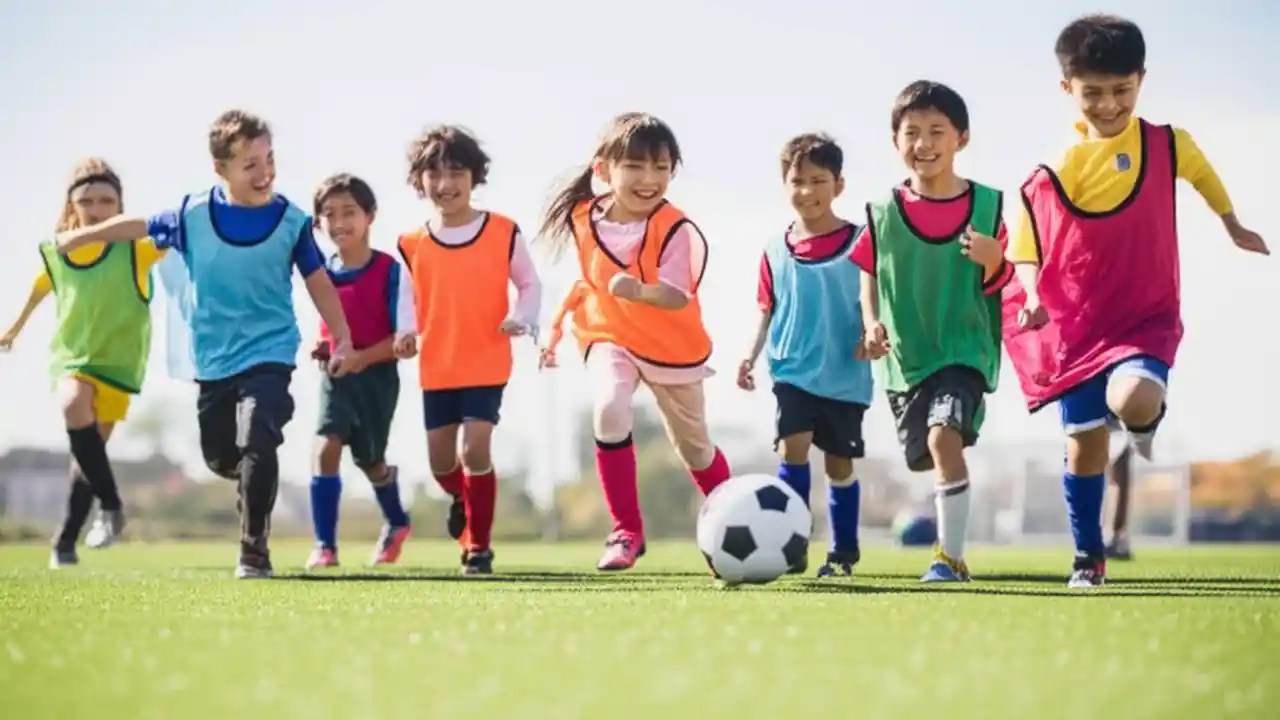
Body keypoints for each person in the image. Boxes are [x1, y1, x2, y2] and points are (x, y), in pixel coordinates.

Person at [1002, 15, 1268, 588]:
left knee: (1137, 398)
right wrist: (1028, 292)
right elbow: (1027, 237)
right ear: (1067, 89)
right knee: (1086, 448)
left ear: (1141, 81)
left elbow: (1201, 174)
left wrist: (1232, 223)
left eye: (1121, 91)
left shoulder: (1166, 143)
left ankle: (1145, 419)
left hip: (1144, 316)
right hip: (1075, 324)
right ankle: (1088, 556)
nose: (1107, 105)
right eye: (1092, 93)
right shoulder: (1055, 170)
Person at [54, 110, 356, 579]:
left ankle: (253, 551)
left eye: (268, 159)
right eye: (250, 164)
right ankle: (254, 475)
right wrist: (85, 233)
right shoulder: (193, 214)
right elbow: (133, 226)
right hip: (214, 358)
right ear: (222, 169)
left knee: (258, 435)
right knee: (221, 456)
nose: (264, 172)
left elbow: (318, 281)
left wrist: (342, 338)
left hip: (270, 351)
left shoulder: (291, 221)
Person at [538, 112, 731, 572]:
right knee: (609, 406)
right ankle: (626, 530)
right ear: (603, 169)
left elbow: (675, 294)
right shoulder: (582, 215)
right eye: (635, 167)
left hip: (672, 347)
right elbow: (586, 276)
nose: (649, 180)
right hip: (609, 334)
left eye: (661, 168)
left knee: (695, 448)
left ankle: (734, 520)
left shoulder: (679, 229)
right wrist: (556, 329)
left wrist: (640, 292)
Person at [852, 81, 1014, 583]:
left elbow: (1012, 281)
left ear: (961, 138)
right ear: (895, 140)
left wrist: (996, 260)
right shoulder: (881, 214)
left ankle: (950, 557)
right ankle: (950, 539)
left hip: (964, 351)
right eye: (912, 132)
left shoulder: (988, 207)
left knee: (945, 438)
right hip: (907, 360)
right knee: (925, 452)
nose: (924, 143)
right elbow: (869, 280)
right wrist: (871, 325)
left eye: (936, 131)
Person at [1, 158, 163, 568]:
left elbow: (162, 229)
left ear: (119, 204)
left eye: (107, 200)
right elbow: (41, 287)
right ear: (71, 205)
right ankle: (112, 506)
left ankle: (65, 541)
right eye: (87, 201)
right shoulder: (57, 252)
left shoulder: (137, 250)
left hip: (118, 364)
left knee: (87, 459)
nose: (96, 208)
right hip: (72, 358)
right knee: (72, 404)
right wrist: (13, 329)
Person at [396, 125, 542, 575]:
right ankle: (463, 498)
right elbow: (407, 299)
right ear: (419, 181)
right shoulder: (411, 243)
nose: (445, 184)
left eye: (456, 172)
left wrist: (524, 316)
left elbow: (529, 282)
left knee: (475, 449)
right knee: (442, 464)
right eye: (434, 173)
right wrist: (405, 333)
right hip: (438, 365)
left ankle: (478, 546)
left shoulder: (502, 230)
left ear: (475, 176)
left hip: (487, 359)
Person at [738, 132, 873, 578]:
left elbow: (878, 302)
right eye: (797, 181)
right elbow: (766, 308)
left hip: (844, 375)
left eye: (818, 180)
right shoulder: (775, 248)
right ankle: (789, 544)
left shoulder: (861, 242)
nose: (807, 192)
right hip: (791, 369)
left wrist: (873, 334)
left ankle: (843, 552)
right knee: (791, 447)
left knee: (838, 463)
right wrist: (750, 355)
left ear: (839, 184)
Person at [305, 174, 418, 569]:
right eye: (328, 215)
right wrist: (324, 347)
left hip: (378, 379)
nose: (339, 223)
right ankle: (325, 546)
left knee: (370, 460)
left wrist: (364, 357)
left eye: (349, 212)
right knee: (326, 446)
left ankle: (397, 520)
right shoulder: (322, 274)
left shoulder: (391, 271)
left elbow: (402, 340)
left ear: (370, 216)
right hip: (337, 378)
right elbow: (328, 328)